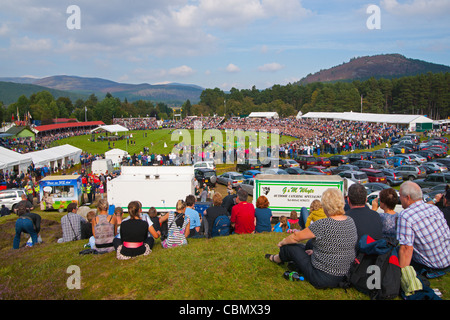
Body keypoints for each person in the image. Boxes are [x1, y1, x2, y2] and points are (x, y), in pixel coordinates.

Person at [265, 188, 358, 289]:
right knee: (309, 244)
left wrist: (282, 242)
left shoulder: (323, 224)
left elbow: (295, 237)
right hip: (345, 274)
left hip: (323, 277)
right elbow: (337, 246)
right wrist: (315, 253)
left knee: (289, 247)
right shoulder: (350, 220)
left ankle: (275, 258)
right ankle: (289, 258)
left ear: (326, 206)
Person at [397, 181, 450, 272]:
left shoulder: (406, 215)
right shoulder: (434, 208)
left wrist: (402, 275)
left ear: (407, 198)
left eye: (400, 195)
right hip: (447, 260)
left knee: (396, 250)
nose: (399, 198)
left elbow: (406, 249)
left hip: (432, 267)